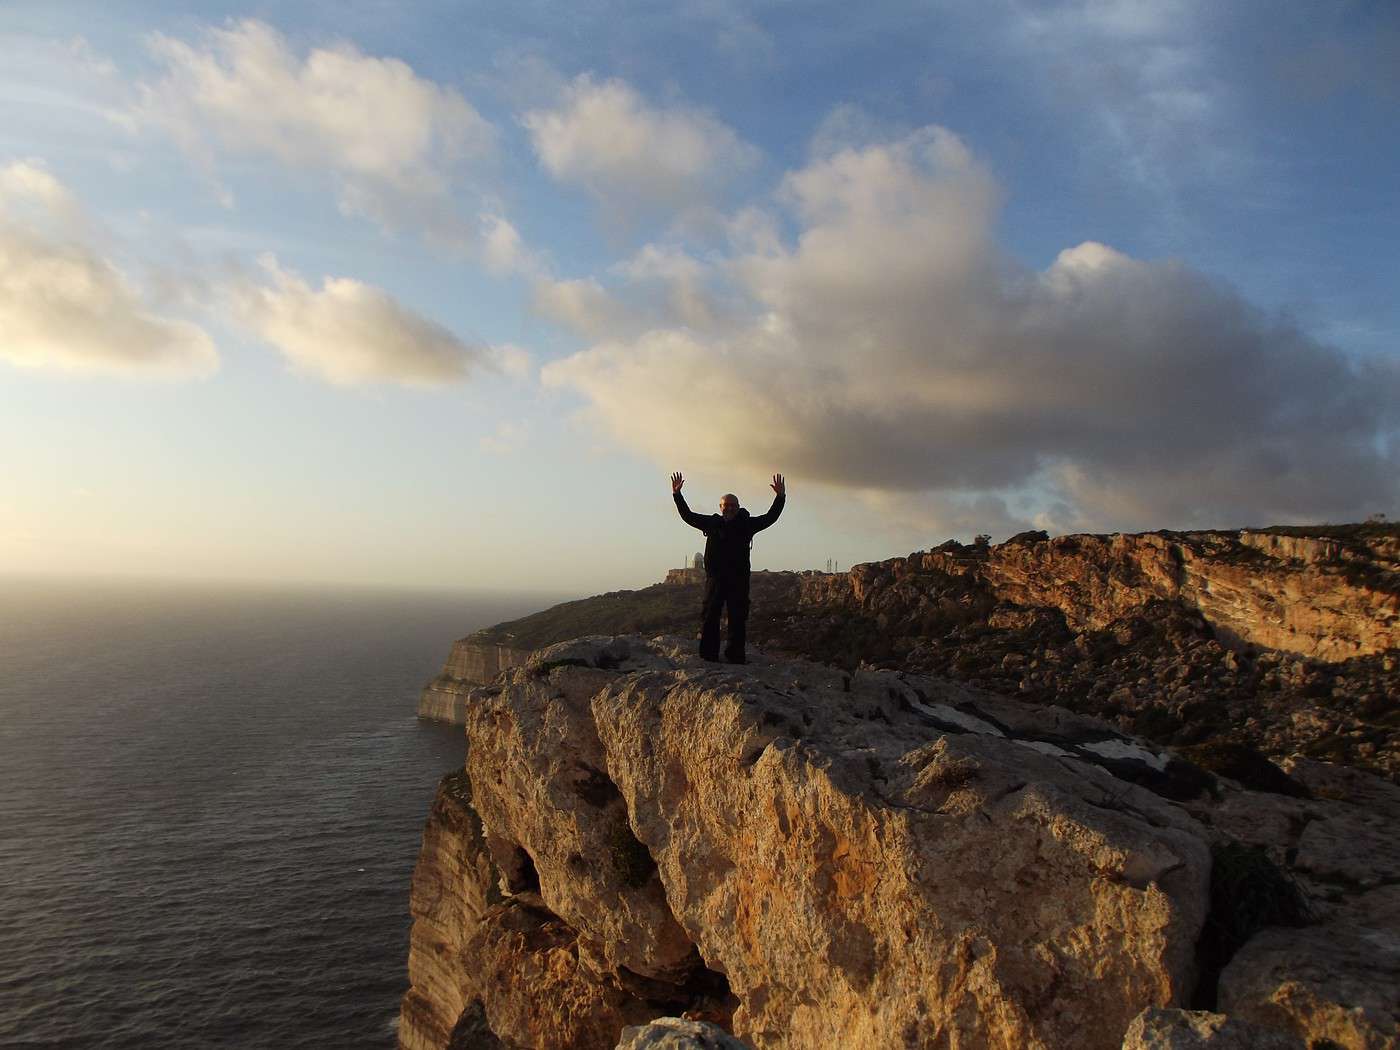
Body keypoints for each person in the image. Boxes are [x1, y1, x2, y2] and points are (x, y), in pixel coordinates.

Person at [670, 471, 785, 664]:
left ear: (738, 507)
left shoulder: (747, 524)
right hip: (715, 578)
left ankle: (735, 655)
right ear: (720, 507)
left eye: (733, 505)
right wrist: (677, 495)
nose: (729, 508)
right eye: (726, 505)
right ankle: (708, 655)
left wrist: (780, 497)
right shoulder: (712, 523)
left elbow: (770, 517)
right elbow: (687, 516)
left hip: (739, 579)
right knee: (710, 616)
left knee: (738, 617)